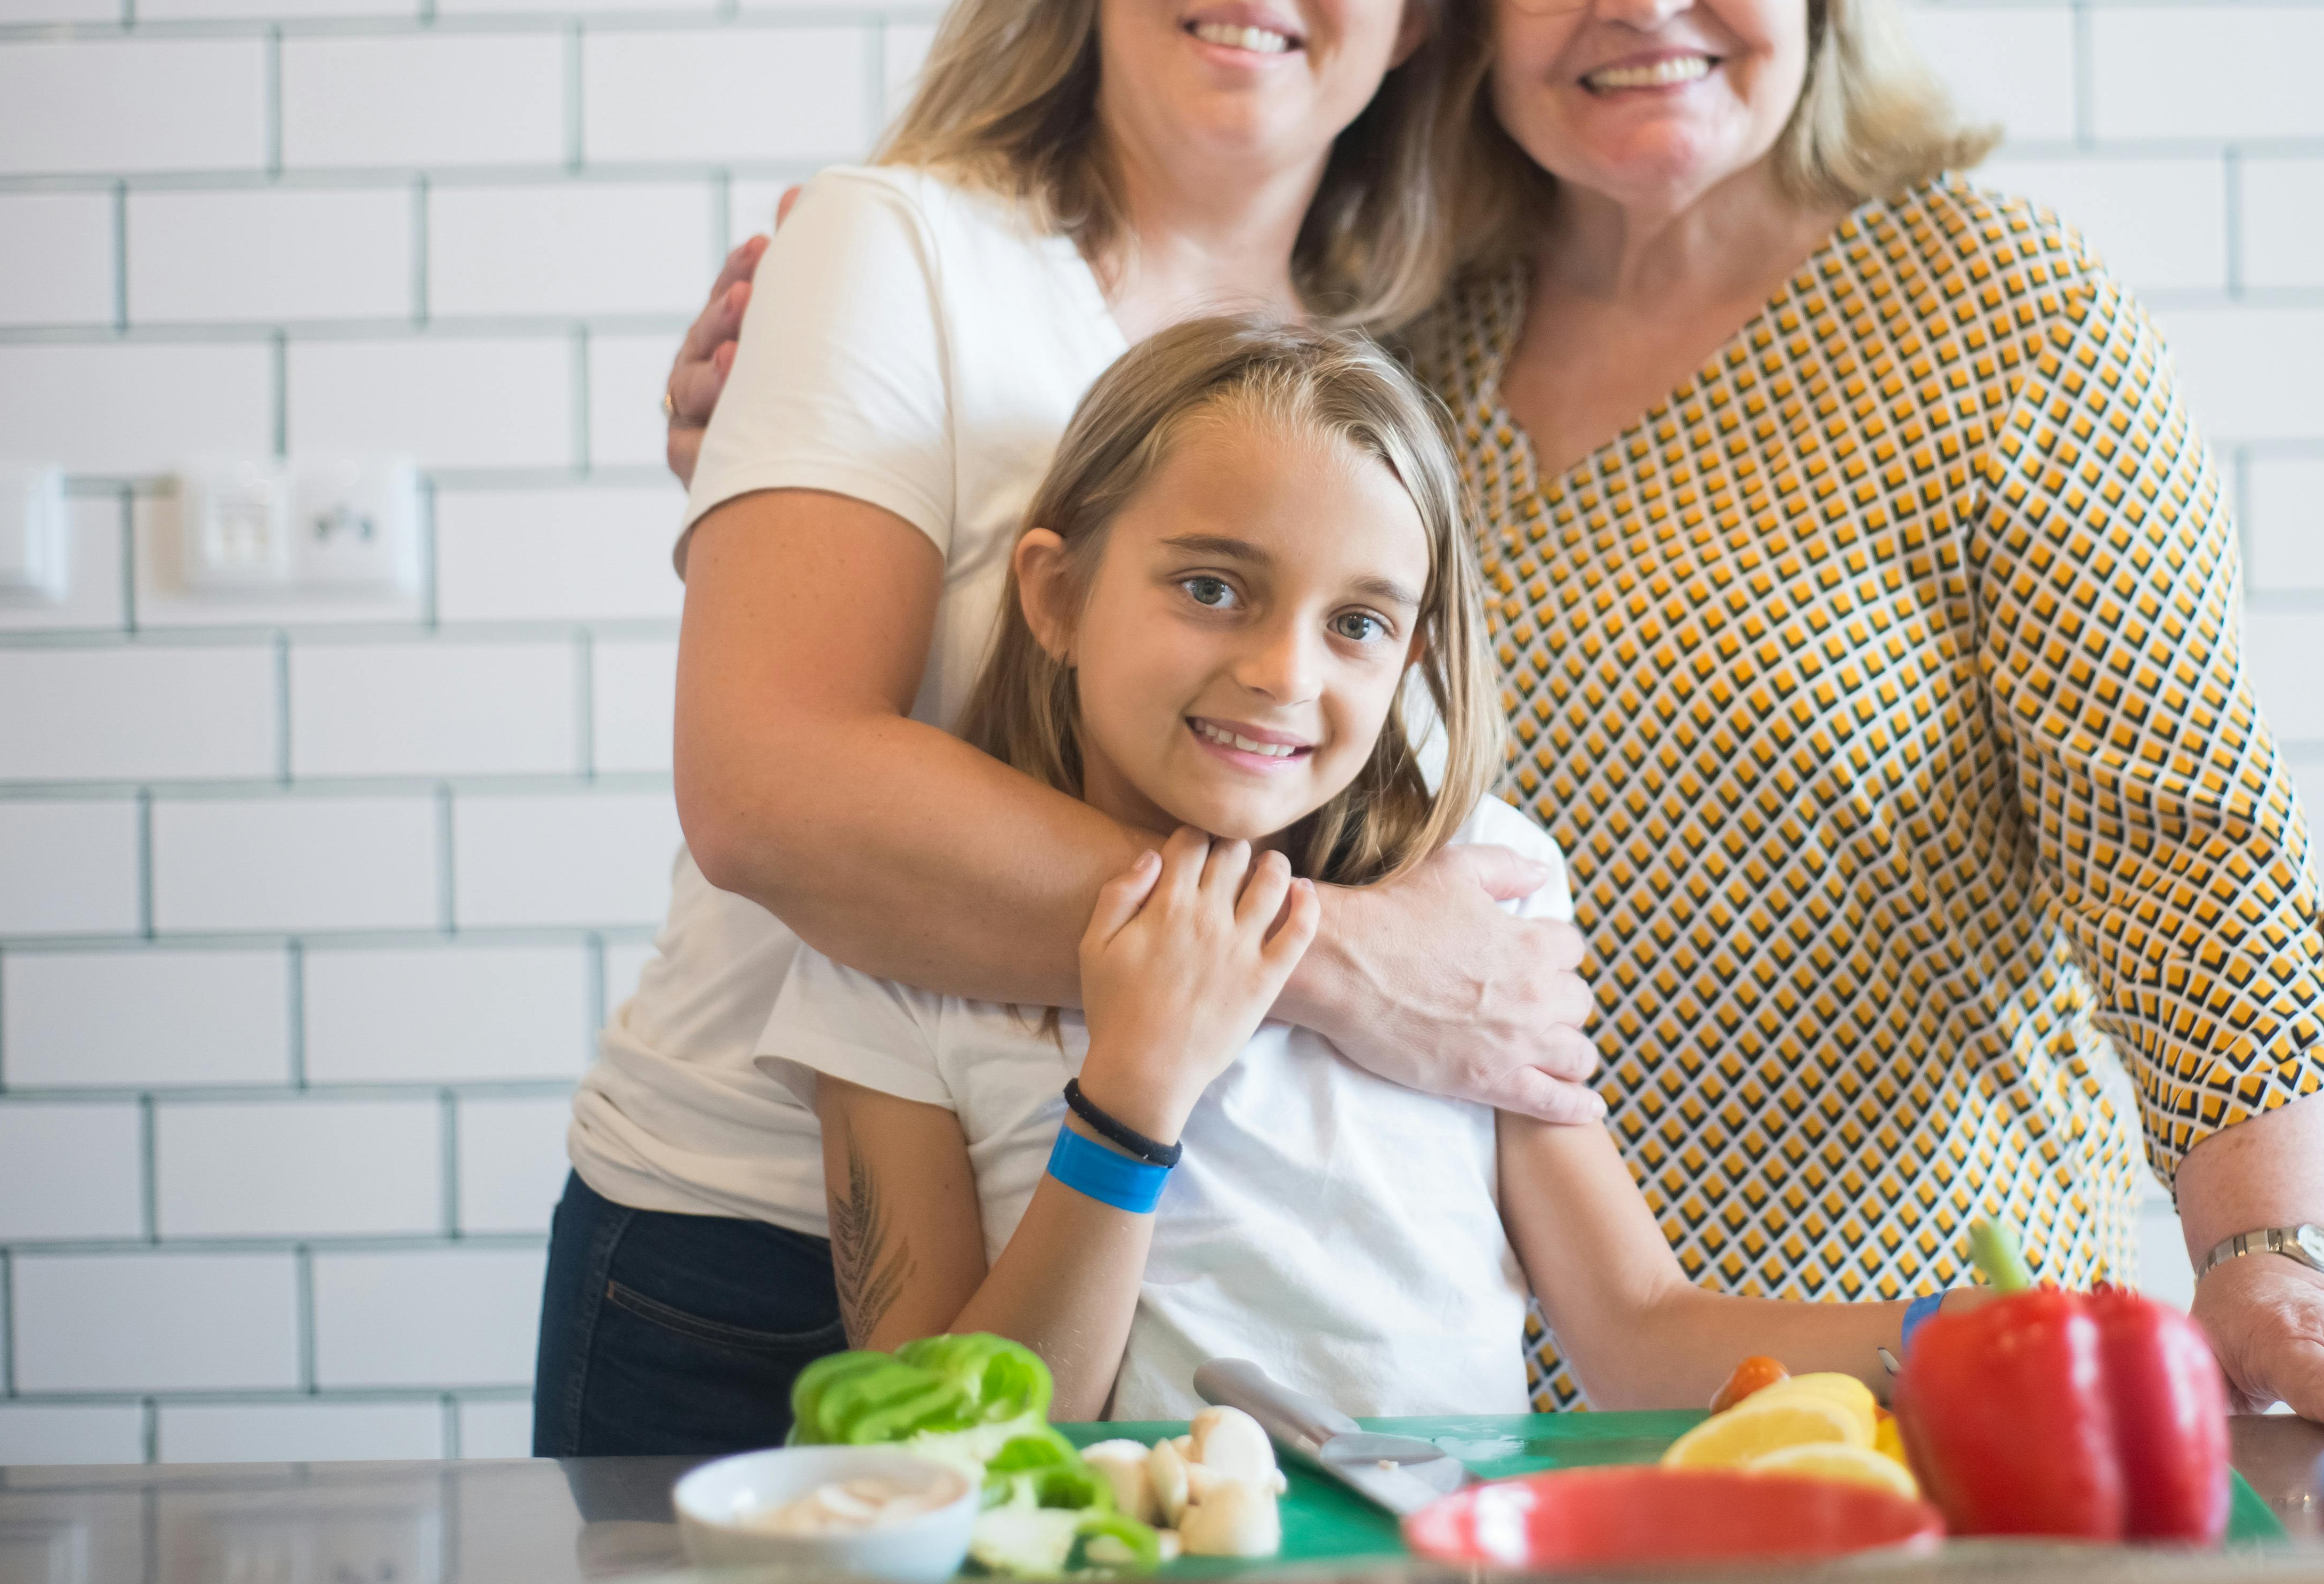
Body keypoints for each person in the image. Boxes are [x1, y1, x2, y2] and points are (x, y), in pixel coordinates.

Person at [663, 0, 2324, 1431]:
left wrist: (2261, 1254)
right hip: (1441, 1386)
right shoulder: (1409, 338)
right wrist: (777, 431)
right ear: (1473, 13)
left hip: (1871, 1346)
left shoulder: (1993, 313)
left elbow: (2177, 824)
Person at [538, 0, 1596, 1458]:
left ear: (1419, 9)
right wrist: (1333, 962)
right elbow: (770, 792)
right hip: (759, 1253)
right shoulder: (896, 250)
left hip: (1168, 1310)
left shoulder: (1383, 382)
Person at [756, 317, 1979, 1418]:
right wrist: (1130, 1102)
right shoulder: (893, 951)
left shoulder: (1481, 900)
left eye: (1358, 623)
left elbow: (1638, 1336)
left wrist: (1964, 1341)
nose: (1287, 673)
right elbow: (950, 1447)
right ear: (1058, 593)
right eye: (1213, 586)